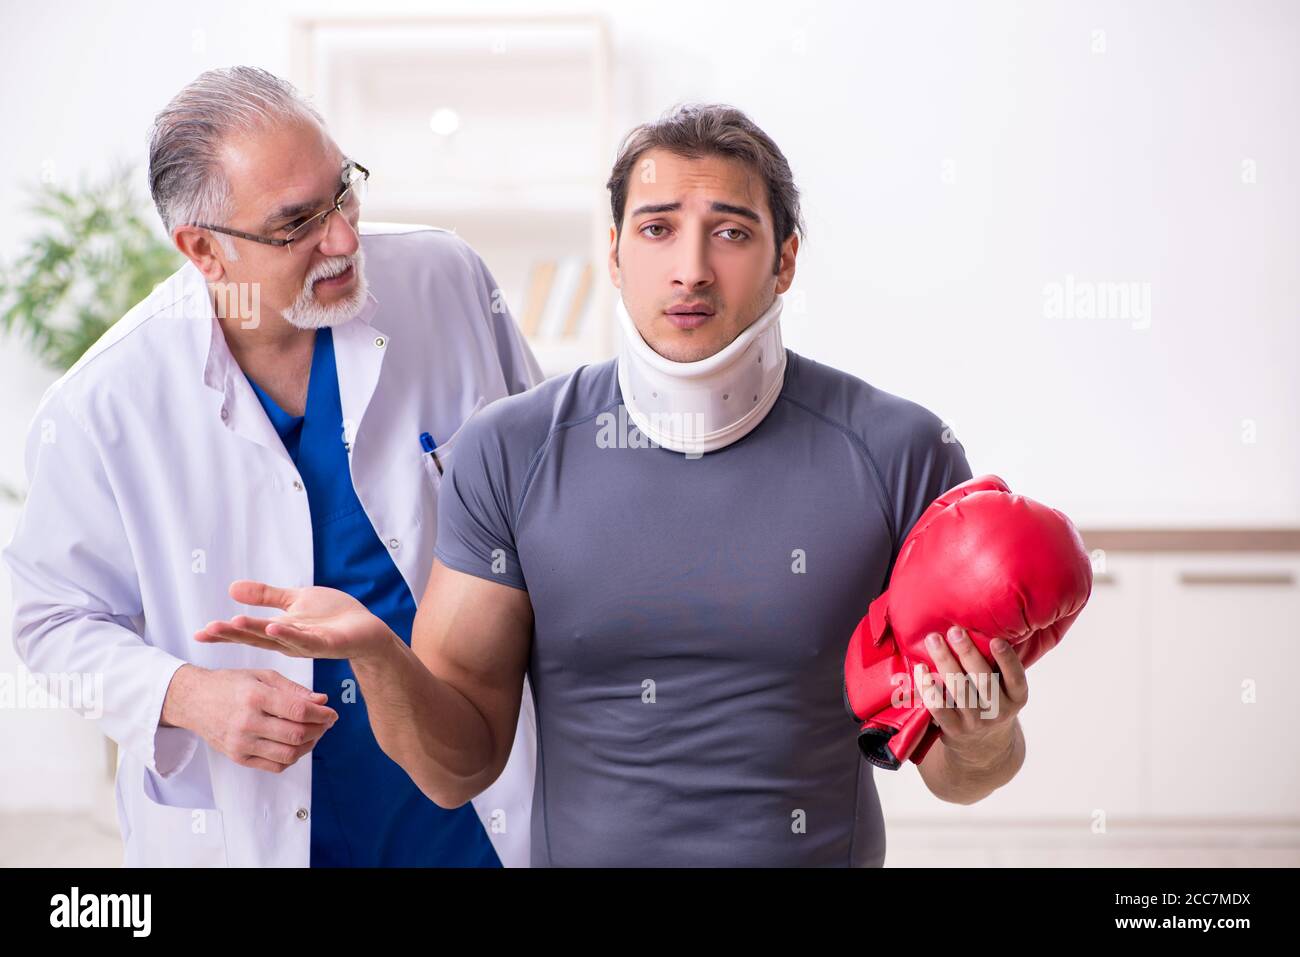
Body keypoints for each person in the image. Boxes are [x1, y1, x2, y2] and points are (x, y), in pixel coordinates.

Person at [198, 103, 1029, 867]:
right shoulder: (509, 450)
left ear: (786, 262)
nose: (691, 269)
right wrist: (379, 654)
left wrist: (984, 734)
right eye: (658, 229)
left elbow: (960, 773)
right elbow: (460, 769)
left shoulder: (902, 452)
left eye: (732, 232)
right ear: (615, 254)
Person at [3, 66, 538, 867]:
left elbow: (544, 491)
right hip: (262, 818)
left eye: (342, 192)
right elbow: (47, 620)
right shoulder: (106, 405)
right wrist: (185, 695)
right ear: (202, 249)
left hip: (470, 804)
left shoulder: (445, 280)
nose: (345, 238)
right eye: (297, 225)